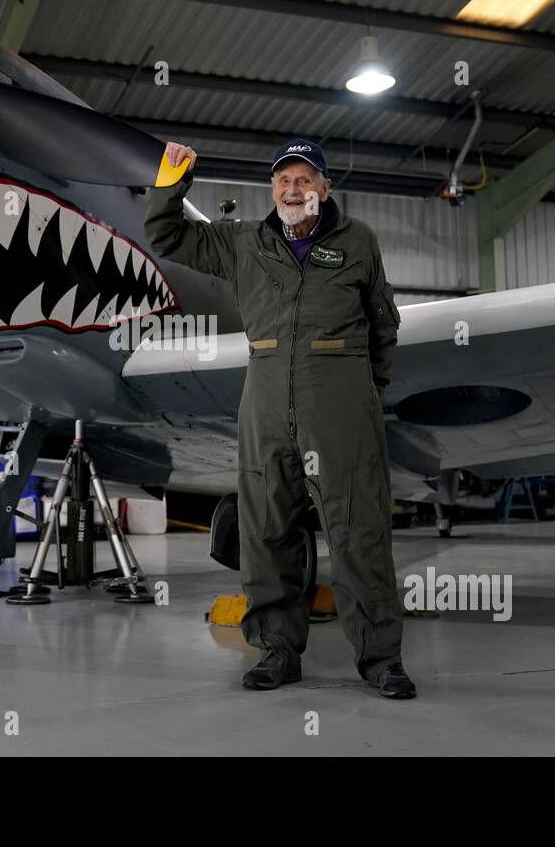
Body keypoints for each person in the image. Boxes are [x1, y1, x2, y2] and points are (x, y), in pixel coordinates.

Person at [143, 139, 415, 699]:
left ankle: (381, 659)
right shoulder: (243, 241)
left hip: (339, 400)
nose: (294, 189)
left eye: (304, 179)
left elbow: (383, 325)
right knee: (267, 530)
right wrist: (170, 182)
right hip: (264, 397)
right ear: (273, 190)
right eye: (283, 180)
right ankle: (276, 650)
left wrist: (364, 390)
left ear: (324, 188)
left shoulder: (357, 240)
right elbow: (166, 237)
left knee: (358, 530)